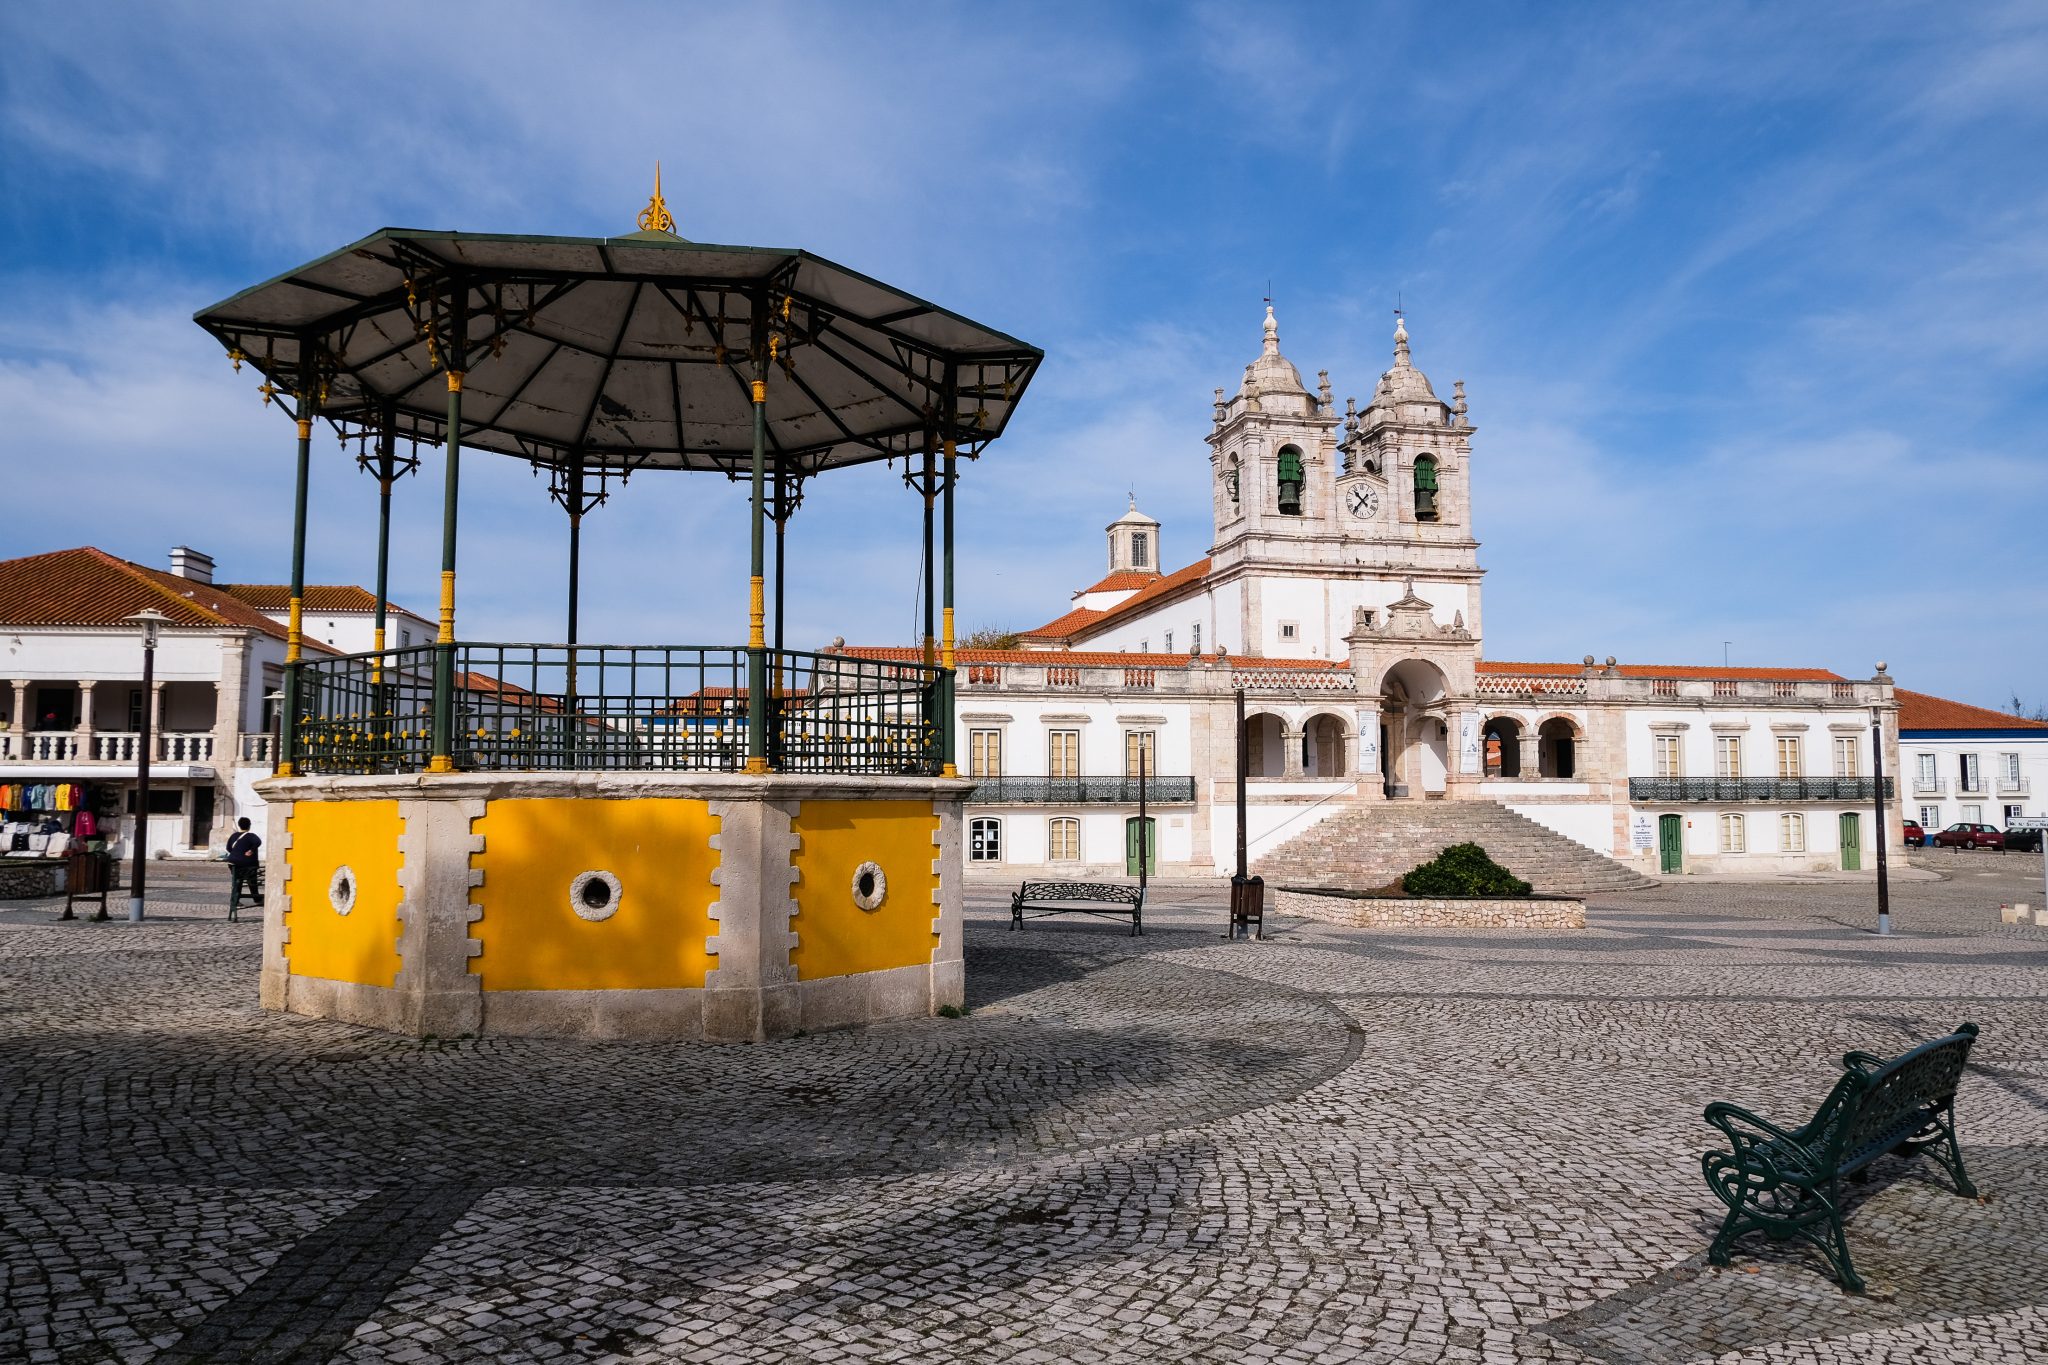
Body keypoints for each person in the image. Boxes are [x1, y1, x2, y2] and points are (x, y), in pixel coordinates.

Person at [225, 816, 263, 920]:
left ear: (239, 825)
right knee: (252, 880)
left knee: (237, 881)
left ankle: (235, 901)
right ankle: (257, 899)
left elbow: (228, 848)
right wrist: (251, 850)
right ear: (249, 826)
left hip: (233, 863)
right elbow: (258, 842)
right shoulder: (251, 836)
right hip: (248, 863)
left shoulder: (233, 836)